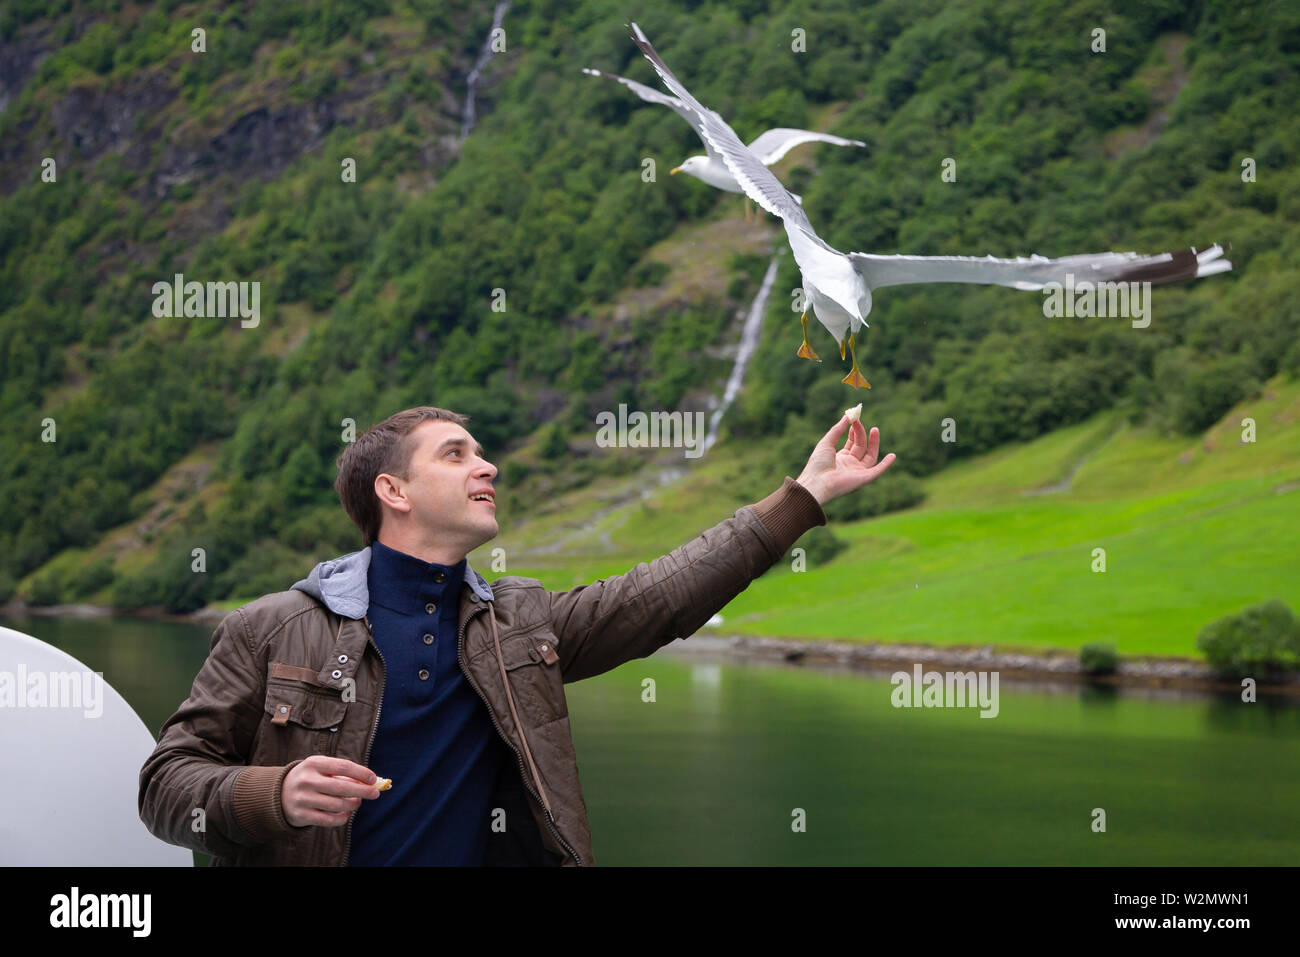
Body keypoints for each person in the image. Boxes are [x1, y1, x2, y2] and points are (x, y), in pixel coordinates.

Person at [138, 405, 895, 865]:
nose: (489, 465)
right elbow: (165, 784)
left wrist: (805, 496)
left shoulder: (521, 623)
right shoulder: (272, 627)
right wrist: (272, 792)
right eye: (456, 454)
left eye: (481, 451)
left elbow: (662, 594)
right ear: (393, 491)